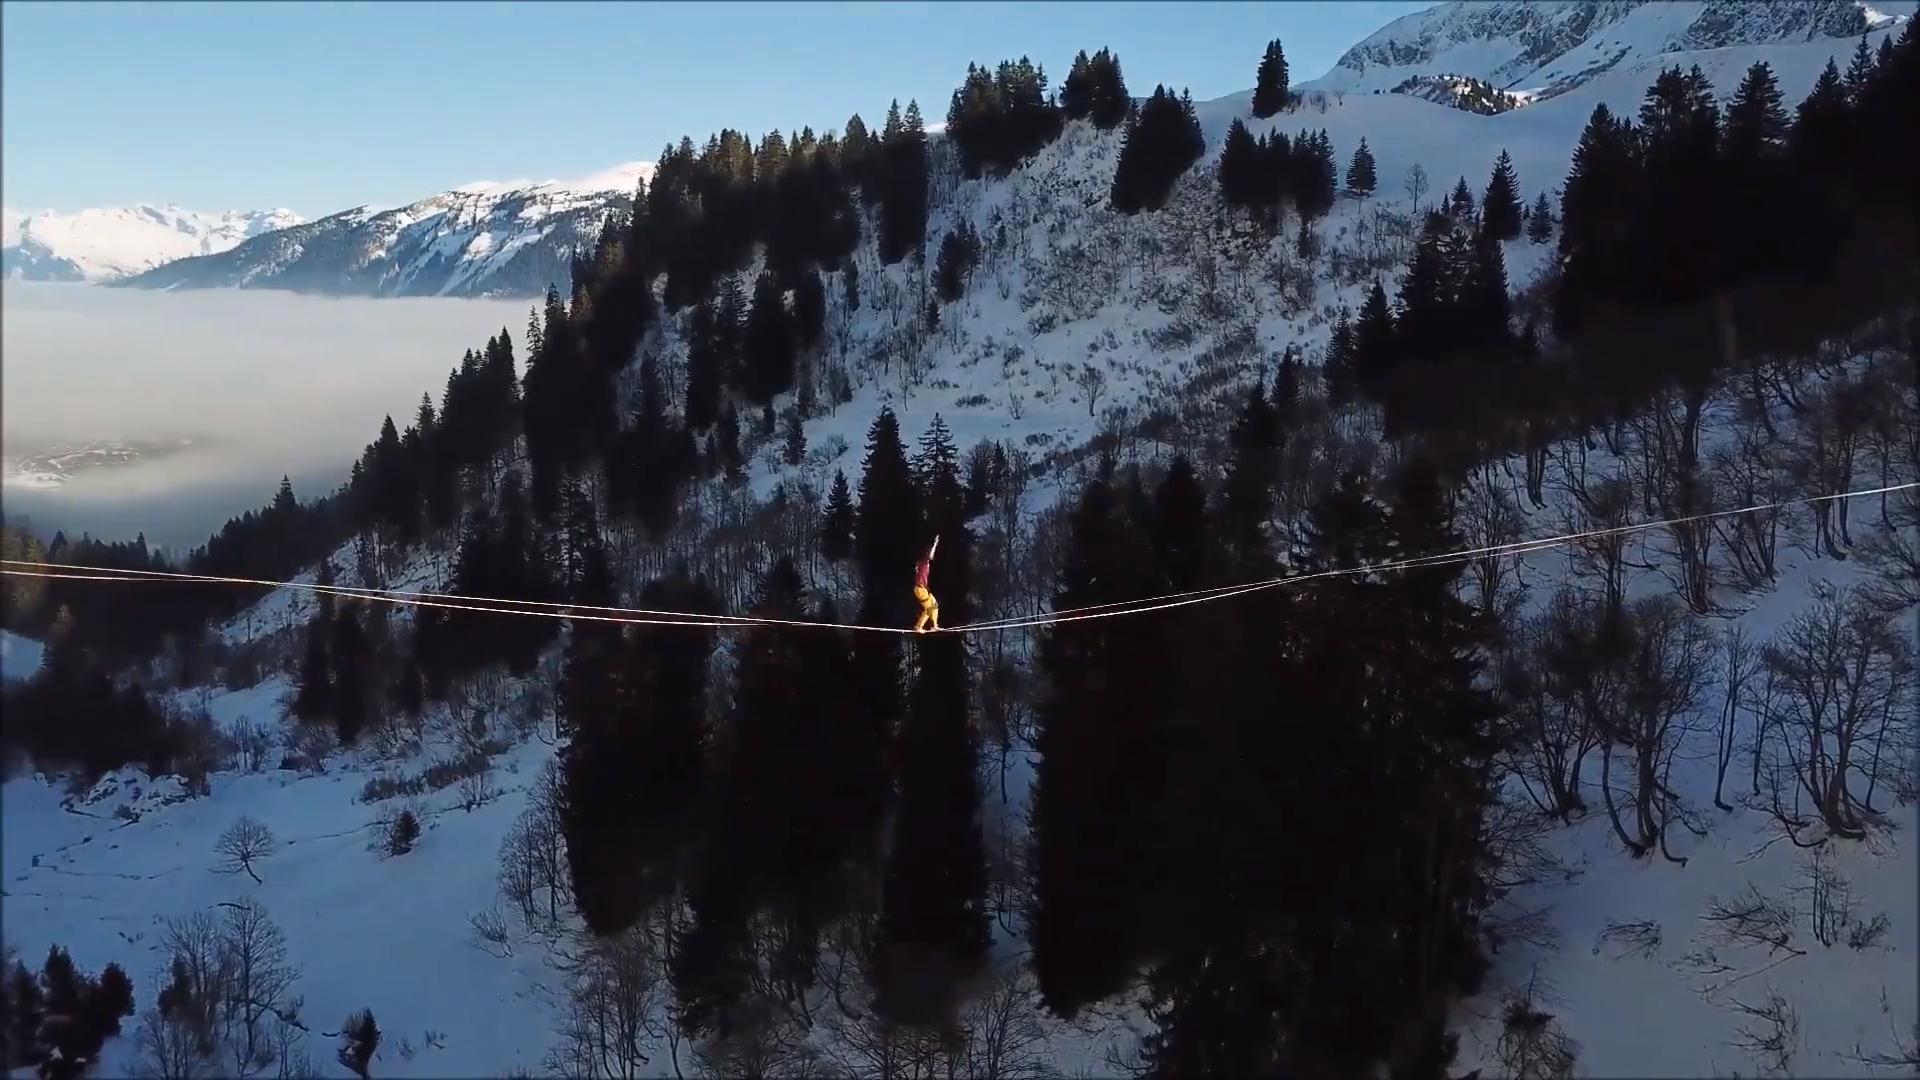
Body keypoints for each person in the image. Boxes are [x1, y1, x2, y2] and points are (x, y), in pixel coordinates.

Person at [912, 535, 940, 633]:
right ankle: (918, 627)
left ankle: (934, 625)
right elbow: (930, 555)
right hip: (920, 589)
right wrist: (935, 544)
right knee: (929, 608)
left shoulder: (922, 563)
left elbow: (917, 568)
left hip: (924, 589)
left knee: (935, 605)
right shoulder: (924, 561)